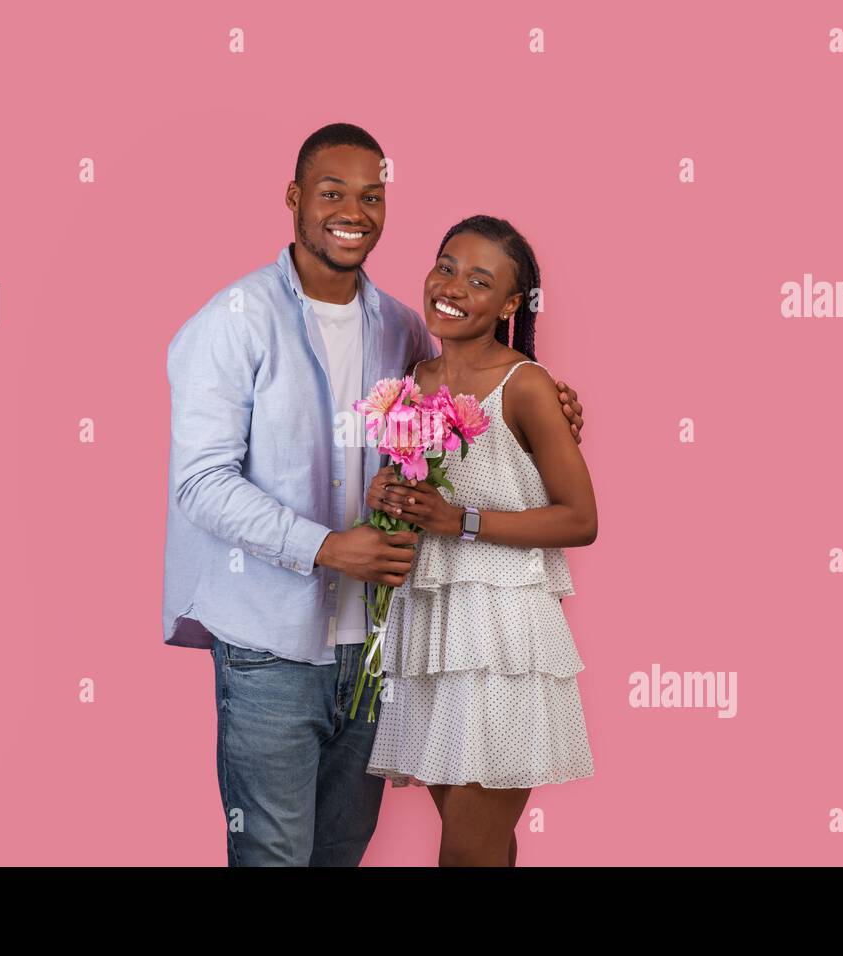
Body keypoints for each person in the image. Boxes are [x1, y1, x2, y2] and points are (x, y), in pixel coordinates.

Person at [163, 125, 587, 866]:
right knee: (271, 853)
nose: (352, 211)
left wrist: (548, 402)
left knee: (343, 853)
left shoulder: (401, 330)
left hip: (378, 652)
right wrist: (328, 546)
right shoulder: (232, 324)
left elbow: (460, 428)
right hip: (272, 649)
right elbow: (201, 483)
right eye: (332, 193)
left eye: (371, 195)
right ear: (295, 199)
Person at [364, 215, 597, 866]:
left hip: (502, 640)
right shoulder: (413, 379)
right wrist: (385, 495)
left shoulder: (526, 386)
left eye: (479, 279)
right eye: (446, 266)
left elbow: (581, 518)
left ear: (510, 304)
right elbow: (416, 488)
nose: (453, 286)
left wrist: (461, 519)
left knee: (468, 851)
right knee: (484, 846)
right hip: (431, 633)